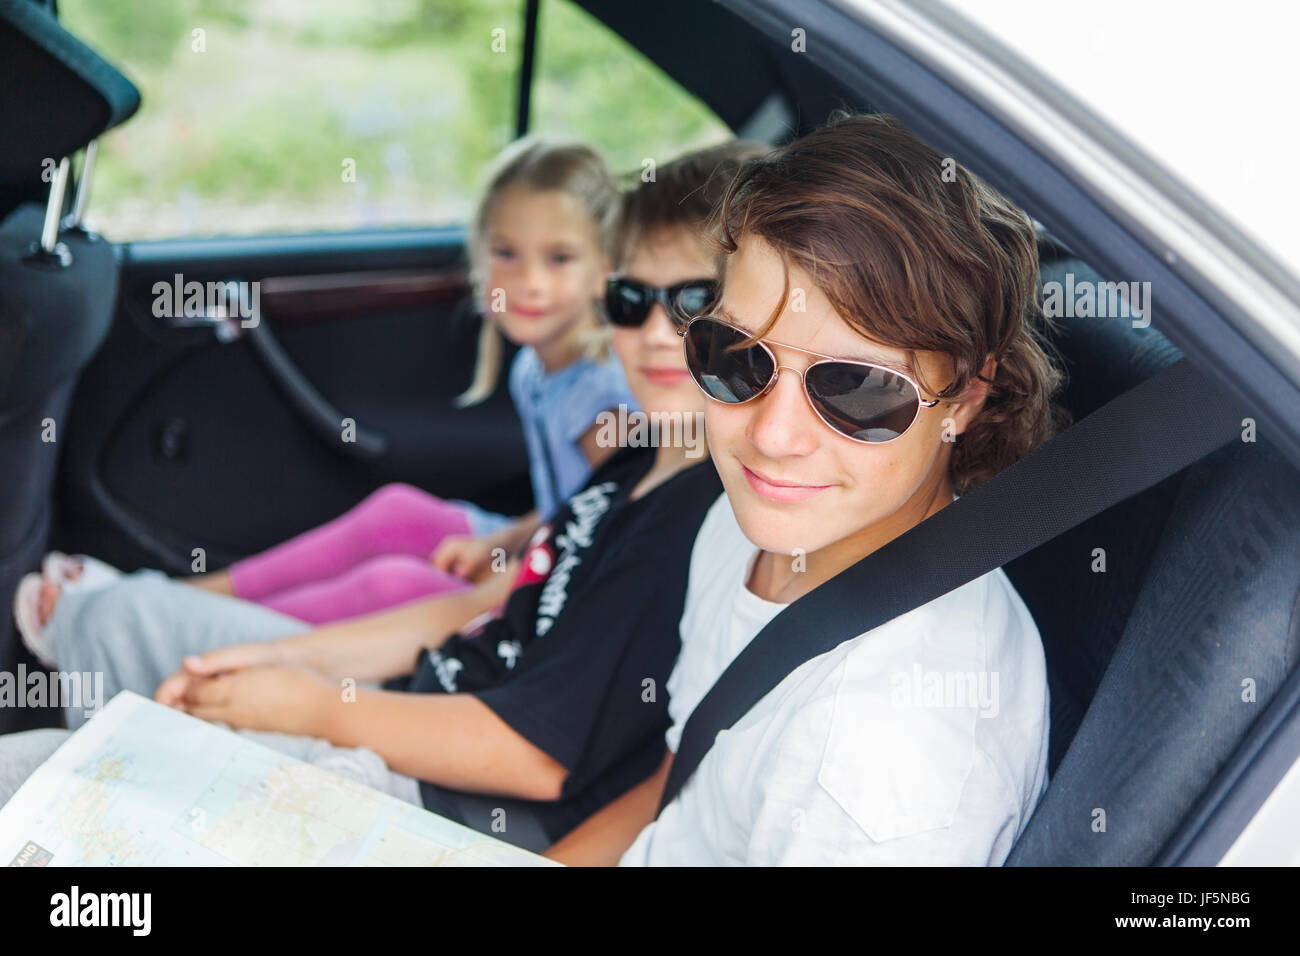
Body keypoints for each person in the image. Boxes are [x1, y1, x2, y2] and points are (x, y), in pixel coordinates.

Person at [0, 141, 766, 850]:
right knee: (123, 624)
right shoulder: (635, 459)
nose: (659, 333)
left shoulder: (702, 520)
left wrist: (314, 706)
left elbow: (537, 757)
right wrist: (275, 656)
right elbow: (477, 610)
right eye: (632, 299)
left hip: (433, 791)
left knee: (35, 779)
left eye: (695, 301)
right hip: (419, 700)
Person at [546, 112, 1066, 866]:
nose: (771, 435)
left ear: (965, 397)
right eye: (736, 356)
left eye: (857, 389)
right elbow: (680, 786)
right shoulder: (743, 525)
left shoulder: (887, 761)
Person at [13, 136, 634, 643]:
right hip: (539, 547)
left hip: (564, 592)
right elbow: (569, 502)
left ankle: (187, 636)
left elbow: (611, 534)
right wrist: (502, 540)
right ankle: (172, 598)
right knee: (399, 512)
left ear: (606, 268)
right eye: (506, 253)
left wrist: (501, 578)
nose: (527, 281)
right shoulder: (536, 367)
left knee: (392, 586)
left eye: (559, 259)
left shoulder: (600, 397)